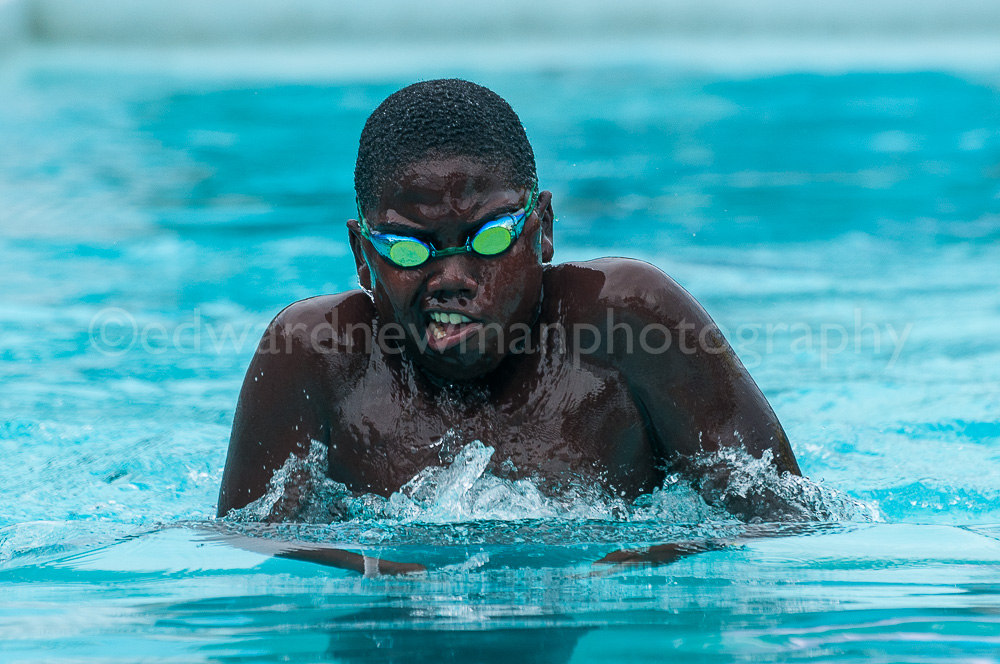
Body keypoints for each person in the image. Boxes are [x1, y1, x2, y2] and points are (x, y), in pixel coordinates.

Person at [216, 79, 802, 573]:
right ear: (362, 256)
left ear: (542, 228)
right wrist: (375, 573)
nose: (452, 276)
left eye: (490, 237)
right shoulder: (314, 353)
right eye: (408, 248)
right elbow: (247, 549)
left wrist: (650, 559)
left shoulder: (630, 319)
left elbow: (787, 519)